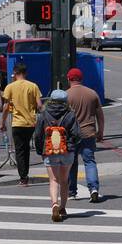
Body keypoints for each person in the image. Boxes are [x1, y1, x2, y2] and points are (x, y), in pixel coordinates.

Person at [32, 89, 83, 222]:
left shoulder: (43, 114)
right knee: (64, 181)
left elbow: (38, 135)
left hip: (49, 150)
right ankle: (63, 207)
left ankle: (54, 205)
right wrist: (71, 145)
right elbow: (77, 134)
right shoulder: (70, 114)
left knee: (53, 180)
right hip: (67, 151)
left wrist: (40, 150)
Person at [65, 67, 105, 203]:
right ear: (81, 79)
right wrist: (101, 132)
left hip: (71, 134)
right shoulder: (92, 94)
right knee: (89, 161)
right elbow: (100, 115)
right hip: (88, 133)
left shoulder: (66, 95)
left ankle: (71, 191)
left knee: (71, 162)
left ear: (69, 79)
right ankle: (93, 188)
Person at [0, 61, 42, 187]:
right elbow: (40, 105)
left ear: (15, 73)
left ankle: (23, 178)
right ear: (25, 73)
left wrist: (2, 122)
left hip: (17, 123)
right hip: (30, 123)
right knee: (26, 149)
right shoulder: (33, 86)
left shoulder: (10, 87)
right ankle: (25, 175)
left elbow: (6, 107)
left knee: (19, 151)